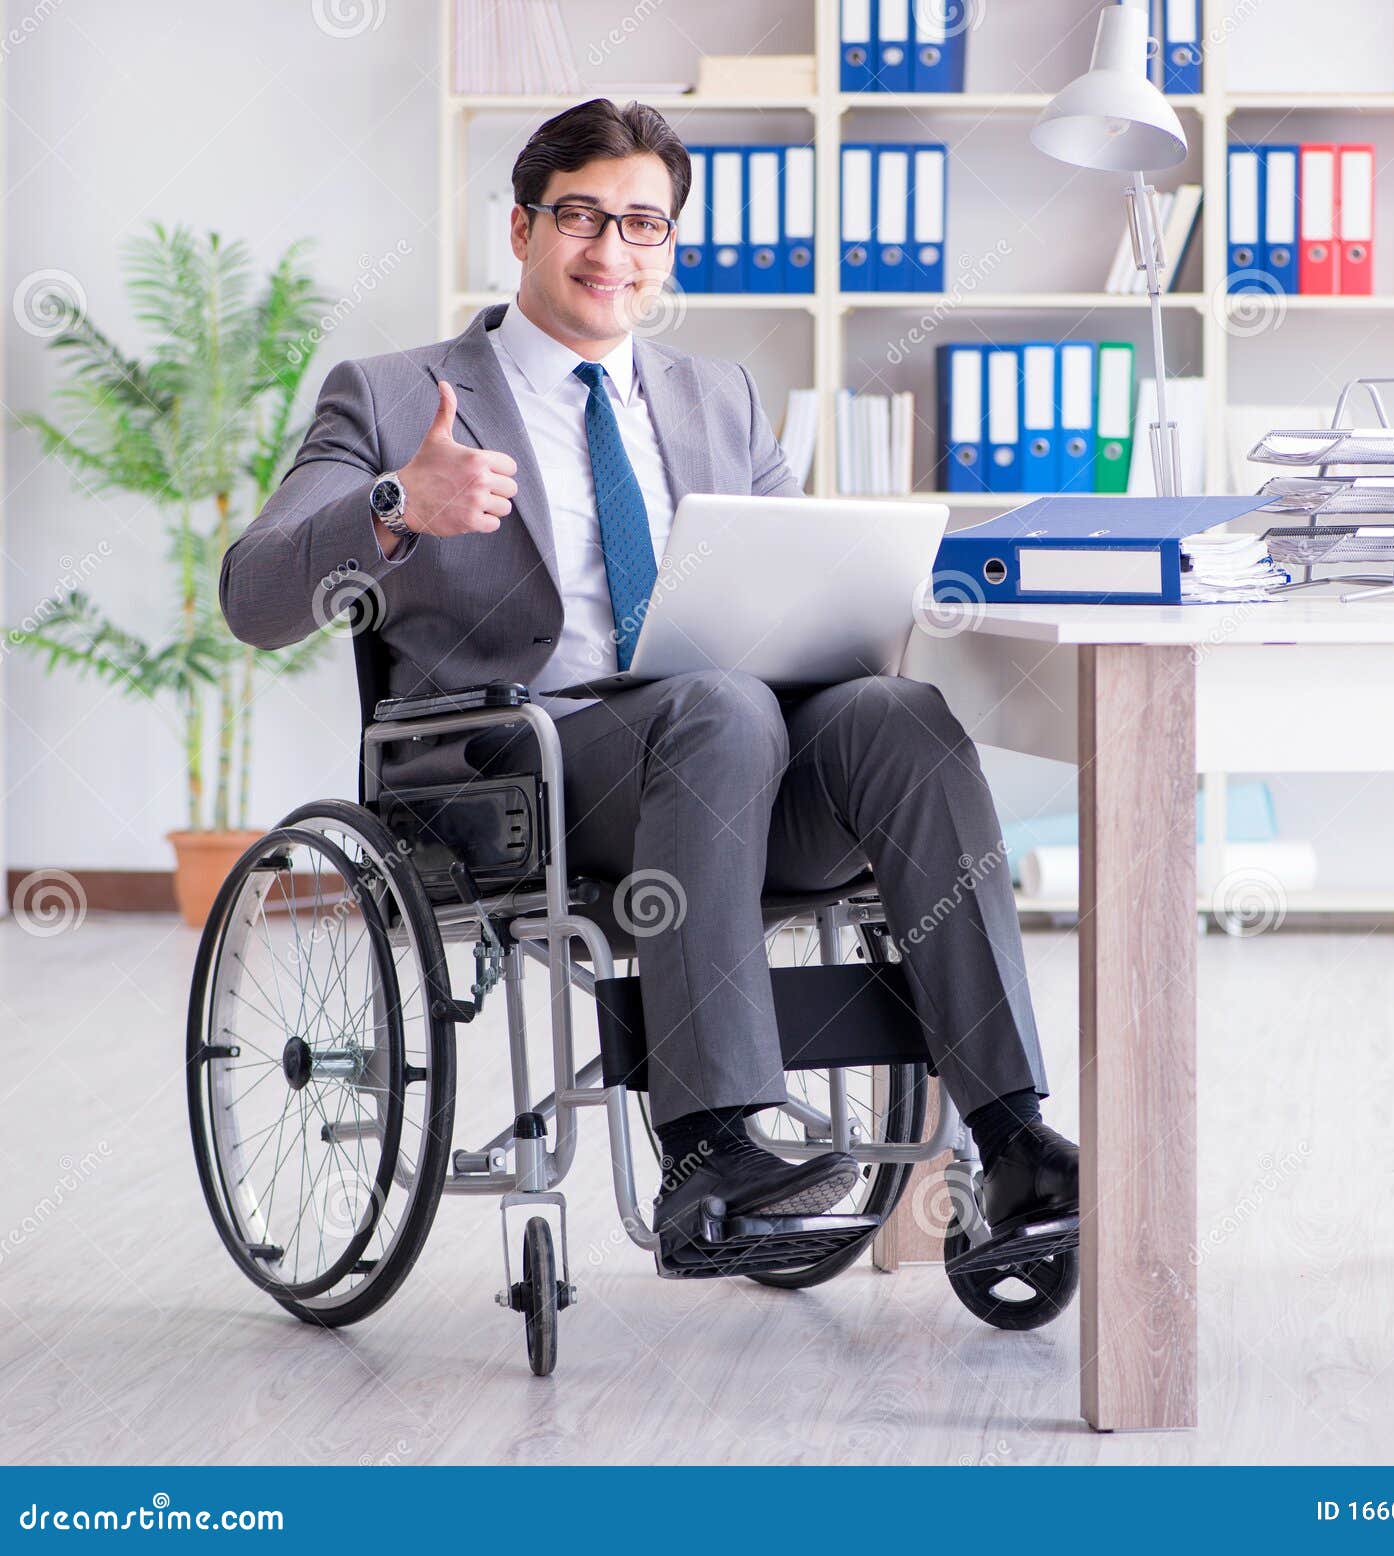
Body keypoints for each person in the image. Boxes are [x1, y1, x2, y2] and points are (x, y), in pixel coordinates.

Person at [218, 98, 1077, 1258]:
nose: (610, 250)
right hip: (522, 776)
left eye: (642, 224)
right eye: (580, 215)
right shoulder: (390, 394)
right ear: (520, 227)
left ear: (668, 243)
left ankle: (1012, 1135)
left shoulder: (718, 397)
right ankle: (709, 1146)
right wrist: (393, 504)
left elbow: (795, 593)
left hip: (735, 764)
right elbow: (254, 594)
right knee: (718, 704)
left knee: (899, 715)